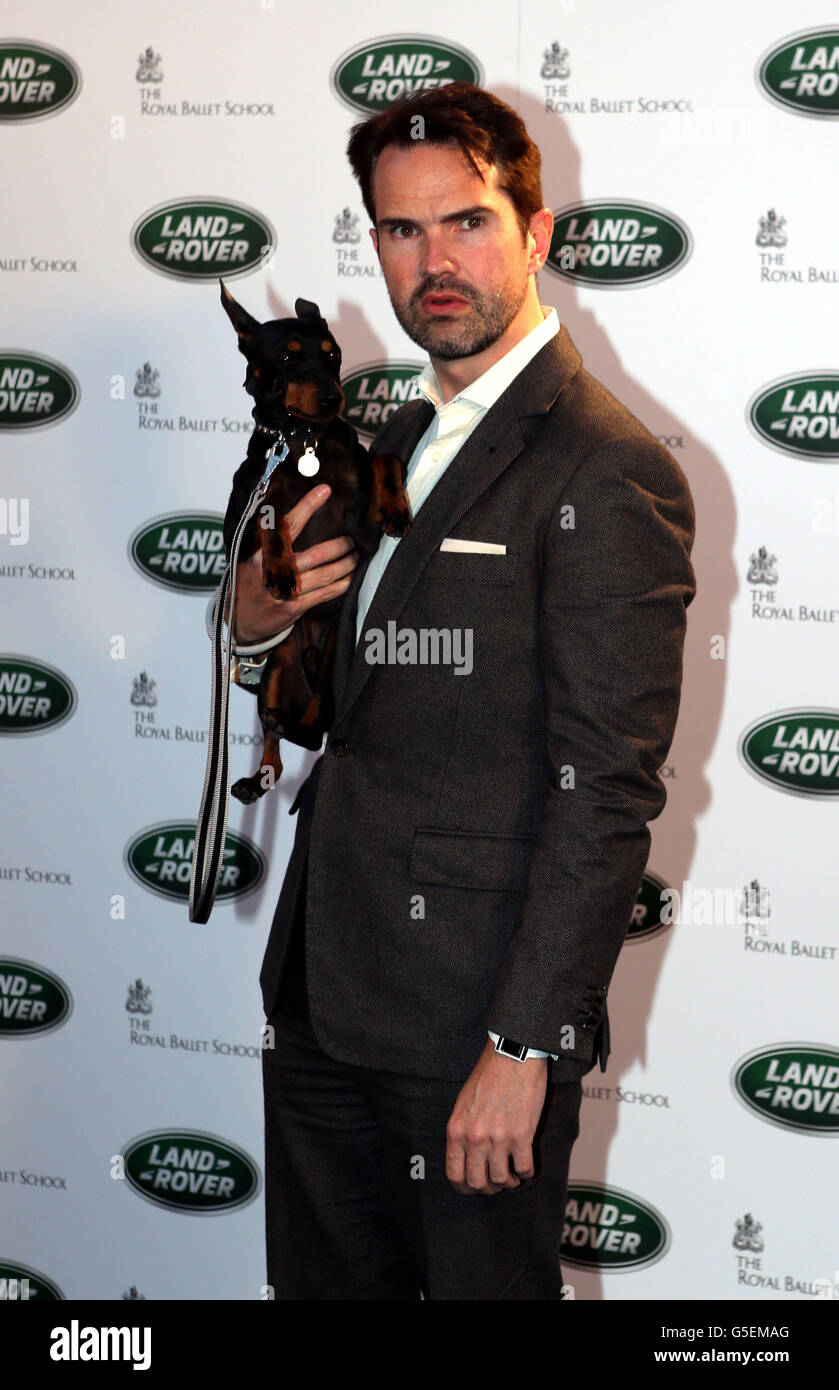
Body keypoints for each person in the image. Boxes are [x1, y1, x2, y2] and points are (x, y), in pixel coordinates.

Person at [225, 82, 696, 1299]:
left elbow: (603, 792)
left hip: (466, 1025)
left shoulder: (606, 464)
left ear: (535, 235)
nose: (433, 262)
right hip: (325, 993)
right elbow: (331, 707)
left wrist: (519, 1044)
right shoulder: (379, 446)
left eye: (466, 223)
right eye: (399, 230)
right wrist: (254, 630)